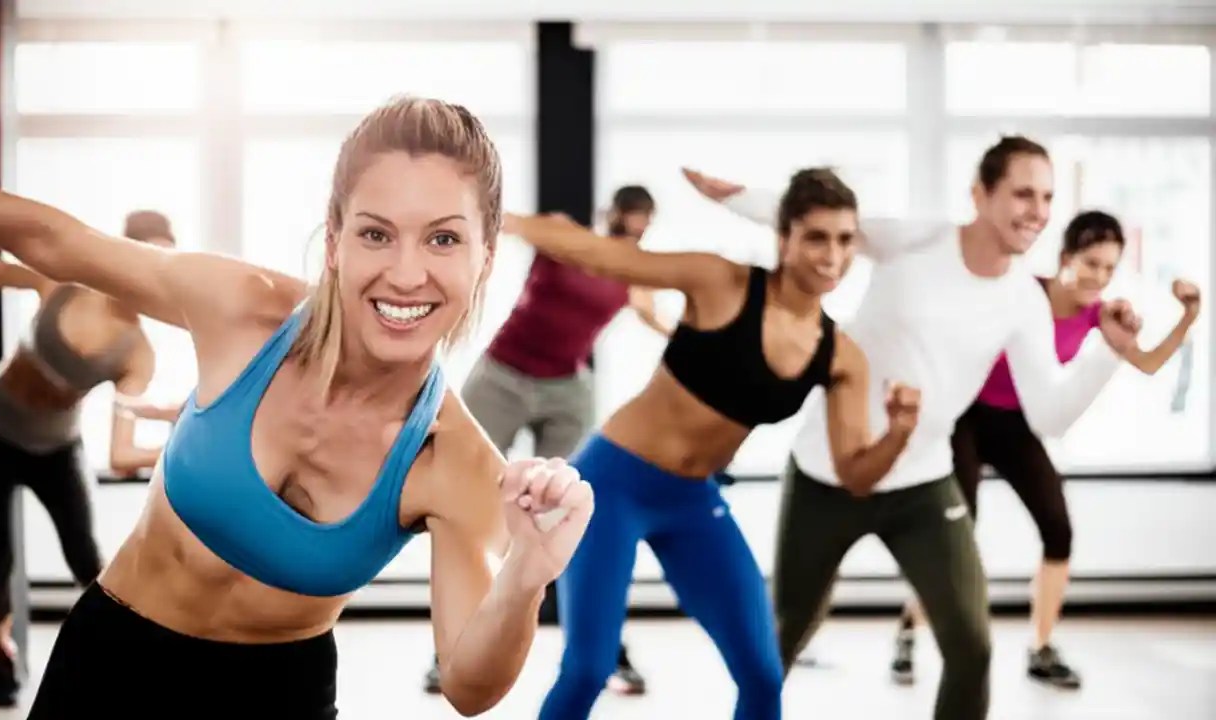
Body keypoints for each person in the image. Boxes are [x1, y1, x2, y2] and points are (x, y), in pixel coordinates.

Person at [0, 96, 595, 719]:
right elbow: (52, 239)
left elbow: (467, 687)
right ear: (334, 241)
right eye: (375, 234)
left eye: (443, 240)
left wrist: (526, 576)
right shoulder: (243, 310)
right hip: (111, 665)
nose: (404, 274)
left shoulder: (454, 461)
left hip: (279, 698)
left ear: (485, 259)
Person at [687, 135, 1143, 720]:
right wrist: (733, 196)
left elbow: (1049, 416)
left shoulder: (1023, 301)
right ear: (980, 194)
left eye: (1047, 197)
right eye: (1023, 193)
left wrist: (1109, 354)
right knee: (782, 636)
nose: (1037, 211)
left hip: (923, 482)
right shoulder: (923, 239)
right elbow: (825, 222)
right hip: (828, 471)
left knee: (972, 647)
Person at [507, 167, 922, 720]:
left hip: (691, 501)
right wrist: (496, 221)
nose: (832, 256)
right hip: (612, 485)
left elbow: (855, 474)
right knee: (589, 667)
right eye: (816, 237)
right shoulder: (721, 282)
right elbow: (600, 256)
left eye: (845, 240)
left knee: (763, 674)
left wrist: (898, 433)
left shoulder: (841, 356)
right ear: (784, 238)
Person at [889, 209, 1203, 690]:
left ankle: (1041, 648)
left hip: (1018, 425)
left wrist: (1189, 316)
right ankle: (910, 629)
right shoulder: (1021, 292)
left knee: (1058, 530)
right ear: (1065, 257)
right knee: (955, 534)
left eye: (1109, 268)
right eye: (1091, 263)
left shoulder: (1099, 316)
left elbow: (1148, 363)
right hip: (967, 417)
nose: (1099, 277)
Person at [423, 185, 666, 697]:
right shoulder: (563, 237)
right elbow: (505, 223)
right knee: (466, 502)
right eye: (629, 215)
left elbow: (656, 318)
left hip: (566, 391)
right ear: (611, 213)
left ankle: (608, 651)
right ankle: (450, 649)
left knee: (571, 514)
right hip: (501, 377)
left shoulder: (633, 272)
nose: (635, 226)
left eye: (644, 219)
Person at [0, 210, 178, 707]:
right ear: (122, 254)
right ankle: (0, 651)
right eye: (145, 259)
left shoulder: (137, 353)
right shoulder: (63, 283)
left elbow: (121, 453)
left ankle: (123, 658)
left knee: (88, 559)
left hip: (57, 450)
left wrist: (185, 444)